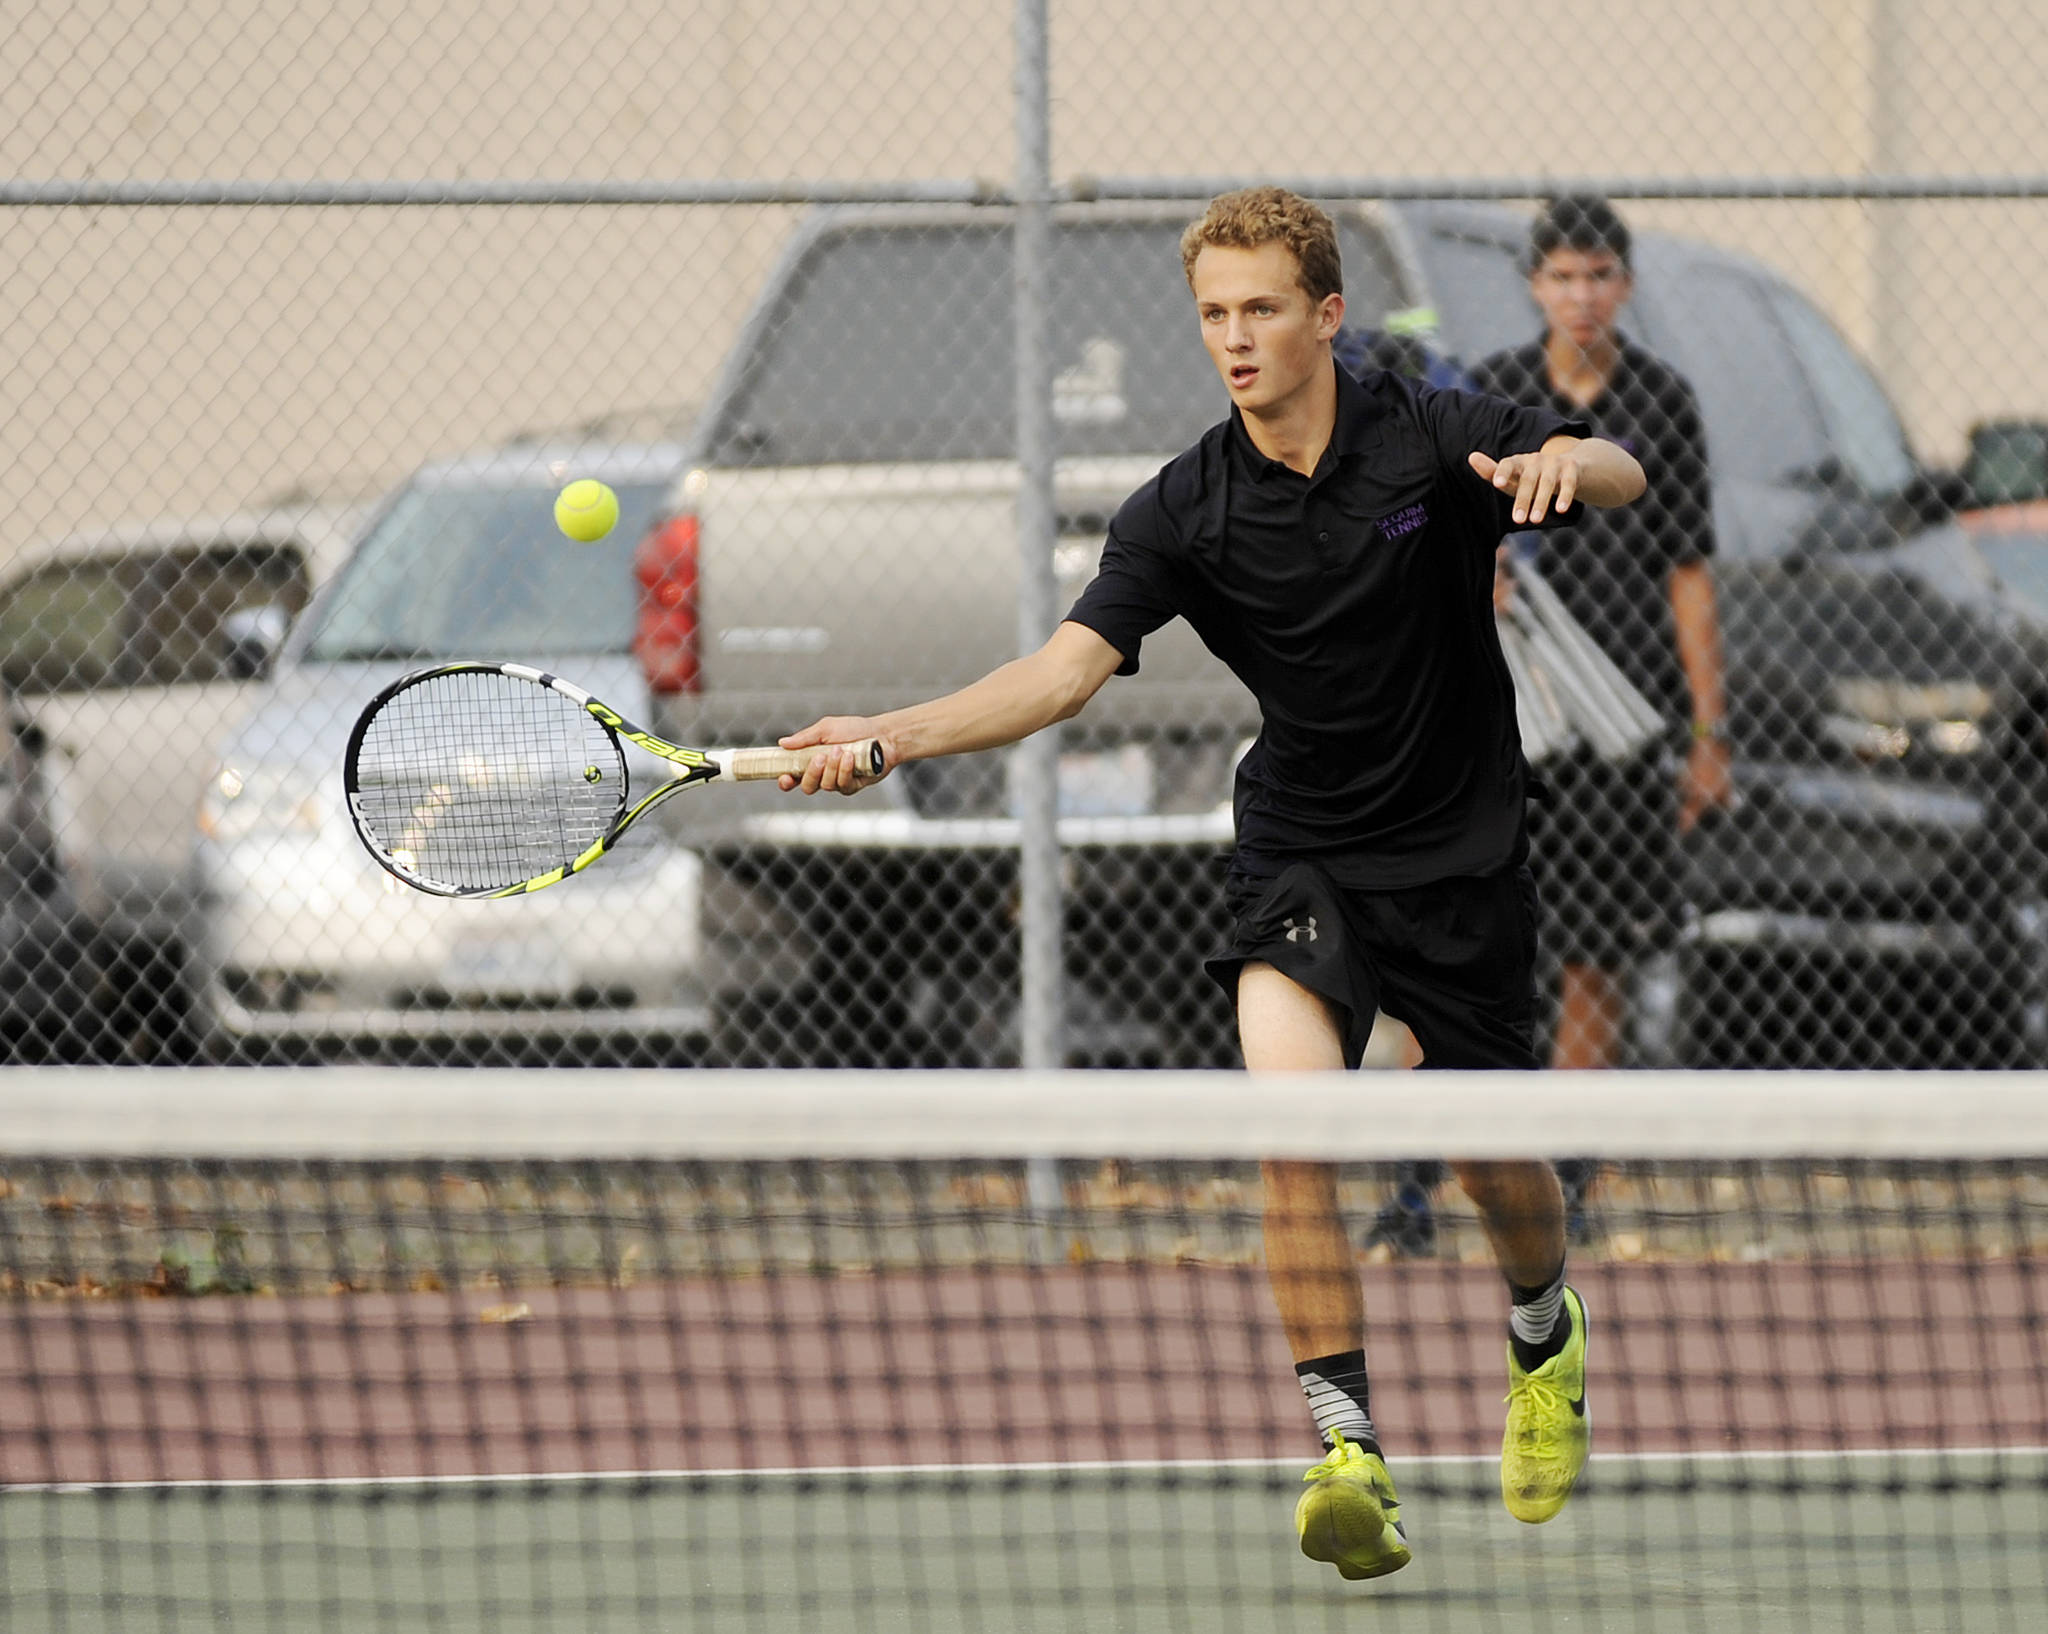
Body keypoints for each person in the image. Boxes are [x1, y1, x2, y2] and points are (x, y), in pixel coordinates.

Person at [776, 187, 1645, 1582]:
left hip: (1462, 851)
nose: (1233, 339)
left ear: (1326, 316)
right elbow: (1060, 675)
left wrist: (1561, 470)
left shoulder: (1429, 429)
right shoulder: (1183, 507)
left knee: (1494, 1161)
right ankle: (1348, 1449)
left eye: (1260, 310)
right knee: (1292, 1132)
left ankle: (1544, 1330)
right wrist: (889, 736)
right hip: (1299, 845)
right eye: (1213, 316)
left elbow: (1617, 471)